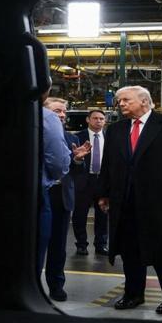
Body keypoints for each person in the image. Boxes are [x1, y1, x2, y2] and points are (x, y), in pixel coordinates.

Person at [98, 85, 162, 314]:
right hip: (124, 201)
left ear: (145, 101)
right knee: (130, 251)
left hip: (160, 201)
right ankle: (133, 294)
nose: (120, 104)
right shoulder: (116, 130)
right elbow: (108, 164)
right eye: (119, 101)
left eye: (126, 100)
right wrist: (103, 193)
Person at [40, 95, 86, 301]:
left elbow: (76, 172)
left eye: (64, 111)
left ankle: (56, 284)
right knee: (38, 242)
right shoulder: (37, 133)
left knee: (58, 245)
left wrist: (77, 160)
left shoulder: (71, 138)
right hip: (42, 194)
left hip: (61, 196)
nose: (61, 115)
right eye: (57, 110)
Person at [71, 108, 111, 256]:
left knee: (103, 214)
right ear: (88, 120)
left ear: (105, 121)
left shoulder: (110, 138)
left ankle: (101, 244)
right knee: (80, 214)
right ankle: (81, 244)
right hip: (83, 180)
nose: (98, 121)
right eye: (95, 118)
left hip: (102, 180)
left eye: (101, 118)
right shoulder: (78, 137)